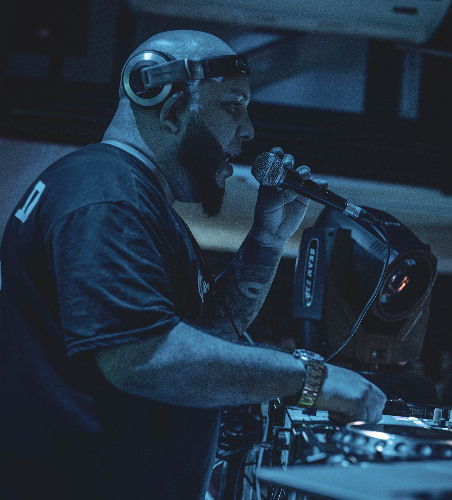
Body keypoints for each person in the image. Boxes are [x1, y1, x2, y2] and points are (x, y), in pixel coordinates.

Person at [0, 30, 386, 499]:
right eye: (233, 105)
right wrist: (312, 379)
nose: (248, 130)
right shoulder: (105, 194)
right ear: (167, 105)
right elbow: (143, 356)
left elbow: (208, 333)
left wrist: (266, 241)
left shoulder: (131, 197)